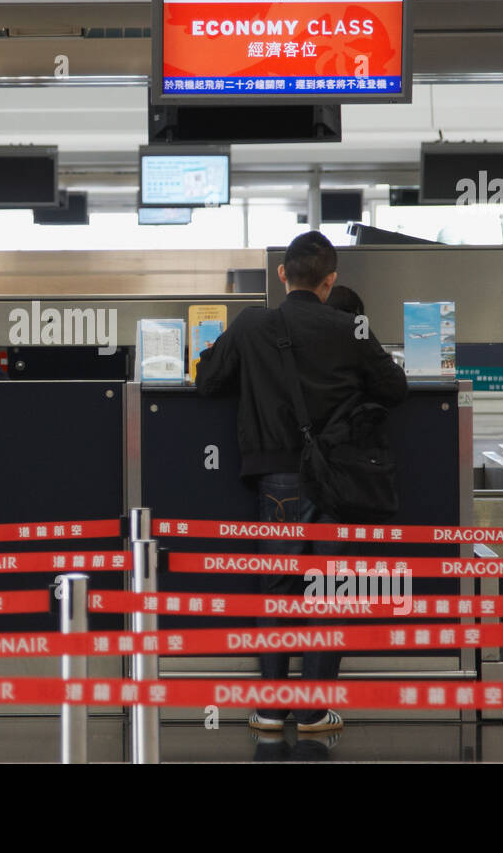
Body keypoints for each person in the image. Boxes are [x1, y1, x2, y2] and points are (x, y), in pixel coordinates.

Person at [195, 231, 407, 735]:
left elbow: (207, 381)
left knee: (278, 588)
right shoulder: (351, 327)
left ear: (281, 274)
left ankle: (270, 709)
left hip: (278, 480)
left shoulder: (252, 325)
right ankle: (313, 711)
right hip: (337, 477)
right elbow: (394, 389)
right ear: (330, 282)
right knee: (329, 589)